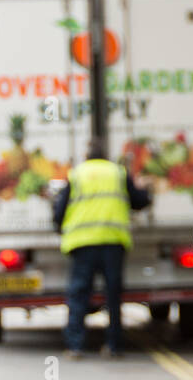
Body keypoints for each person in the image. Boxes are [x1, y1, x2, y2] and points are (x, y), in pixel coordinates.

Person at [53, 138, 151, 358]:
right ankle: (114, 345)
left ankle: (75, 345)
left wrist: (58, 227)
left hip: (83, 242)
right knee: (113, 295)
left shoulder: (76, 174)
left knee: (79, 293)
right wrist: (145, 190)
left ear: (86, 156)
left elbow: (60, 209)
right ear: (106, 155)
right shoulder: (118, 173)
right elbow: (138, 201)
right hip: (113, 242)